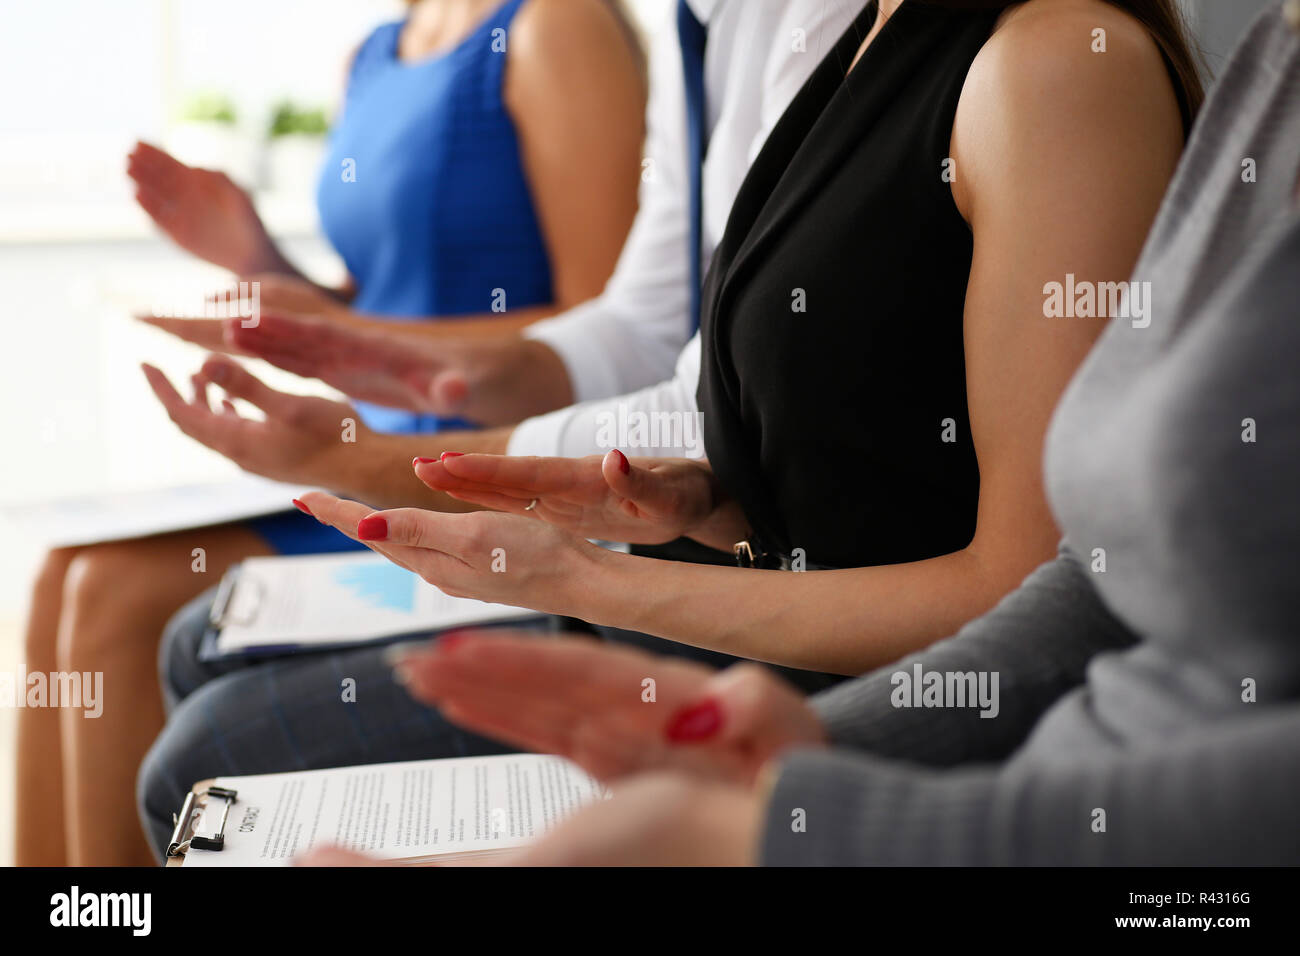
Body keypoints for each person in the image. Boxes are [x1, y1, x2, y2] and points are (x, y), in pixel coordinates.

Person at [138, 0, 1203, 854]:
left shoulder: (1056, 62)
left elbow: (1023, 584)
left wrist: (581, 575)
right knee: (195, 728)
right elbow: (841, 447)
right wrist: (707, 498)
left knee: (200, 763)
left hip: (865, 707)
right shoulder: (851, 42)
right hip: (737, 625)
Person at [17, 0, 646, 866]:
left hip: (472, 479)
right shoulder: (376, 54)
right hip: (357, 463)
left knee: (111, 601)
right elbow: (380, 301)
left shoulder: (558, 26)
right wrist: (258, 260)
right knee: (61, 575)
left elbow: (614, 325)